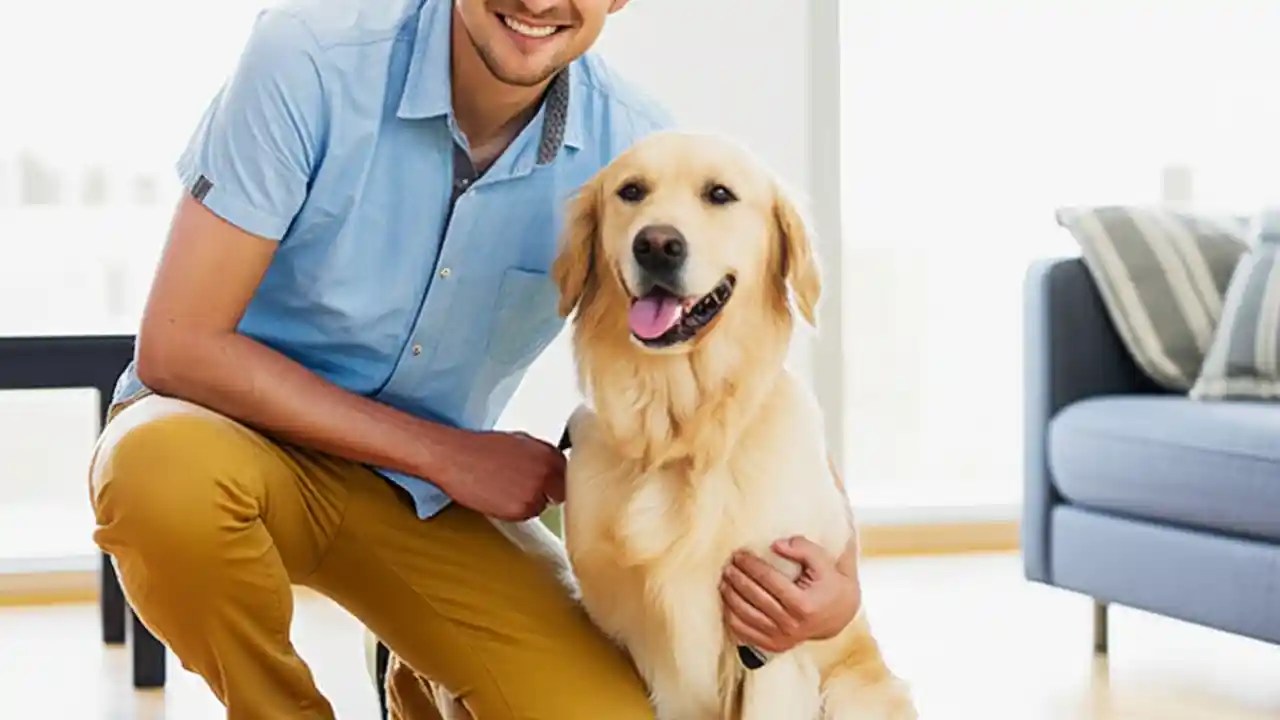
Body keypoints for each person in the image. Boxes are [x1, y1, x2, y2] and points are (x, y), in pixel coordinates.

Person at [87, 0, 864, 717]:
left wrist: (841, 585)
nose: (538, 1)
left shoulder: (636, 162)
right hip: (231, 441)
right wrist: (445, 454)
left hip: (417, 504)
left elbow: (737, 376)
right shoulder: (309, 58)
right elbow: (178, 345)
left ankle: (417, 675)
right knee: (158, 473)